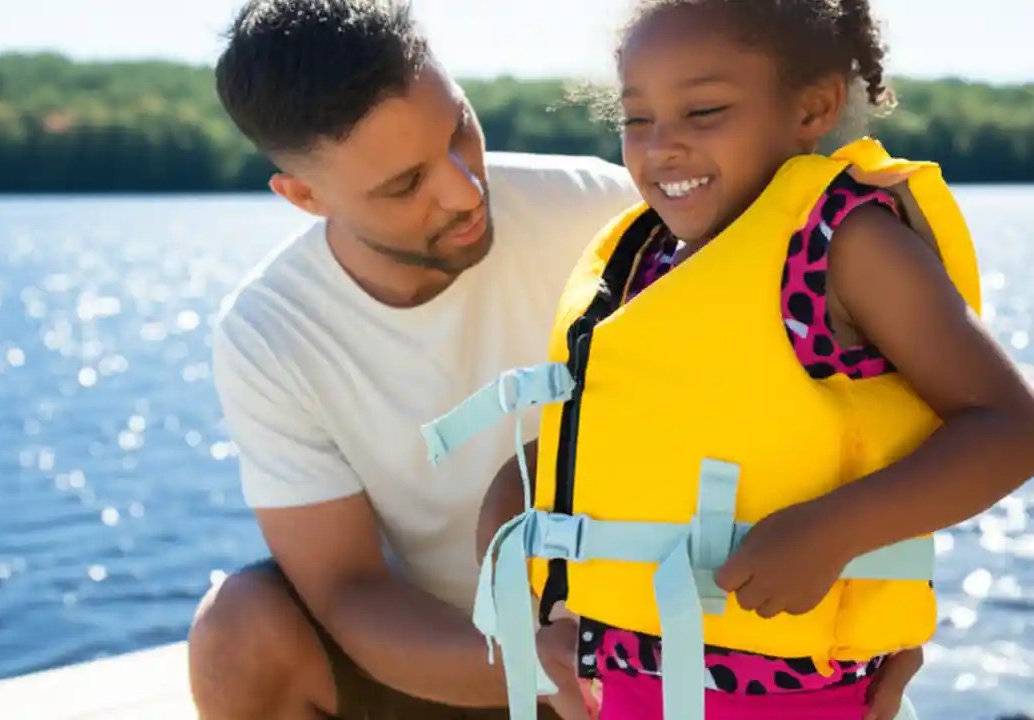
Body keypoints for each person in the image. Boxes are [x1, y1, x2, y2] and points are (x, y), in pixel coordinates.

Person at [463, 0, 1034, 718]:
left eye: (703, 112)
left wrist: (836, 532)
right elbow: (574, 451)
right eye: (636, 118)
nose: (660, 146)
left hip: (790, 693)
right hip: (622, 684)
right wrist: (541, 614)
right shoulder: (648, 261)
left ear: (813, 107)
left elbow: (1009, 426)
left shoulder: (842, 245)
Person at [187, 0, 643, 718]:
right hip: (448, 663)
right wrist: (531, 664)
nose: (465, 189)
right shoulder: (268, 332)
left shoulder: (604, 214)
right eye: (404, 185)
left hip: (635, 642)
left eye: (460, 127)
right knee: (236, 625)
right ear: (304, 197)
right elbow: (346, 588)